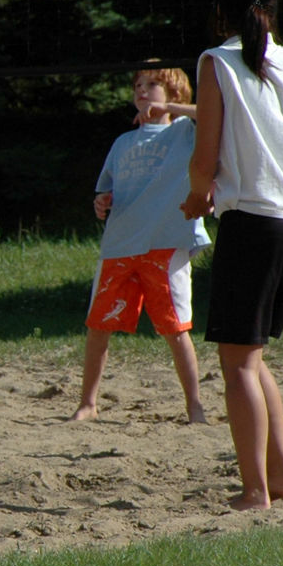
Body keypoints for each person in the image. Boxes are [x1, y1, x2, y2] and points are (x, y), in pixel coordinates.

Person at [180, 0, 283, 511]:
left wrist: (196, 198)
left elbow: (204, 154)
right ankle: (280, 475)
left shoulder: (217, 62)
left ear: (221, 11)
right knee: (253, 359)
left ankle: (255, 491)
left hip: (255, 222)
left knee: (237, 364)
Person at [77, 64, 212, 424]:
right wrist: (102, 202)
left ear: (175, 94)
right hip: (120, 245)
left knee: (174, 328)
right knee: (98, 326)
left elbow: (214, 113)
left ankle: (194, 406)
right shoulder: (123, 142)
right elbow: (107, 192)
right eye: (138, 84)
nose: (143, 90)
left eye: (153, 84)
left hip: (166, 243)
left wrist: (172, 110)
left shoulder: (184, 130)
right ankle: (88, 403)